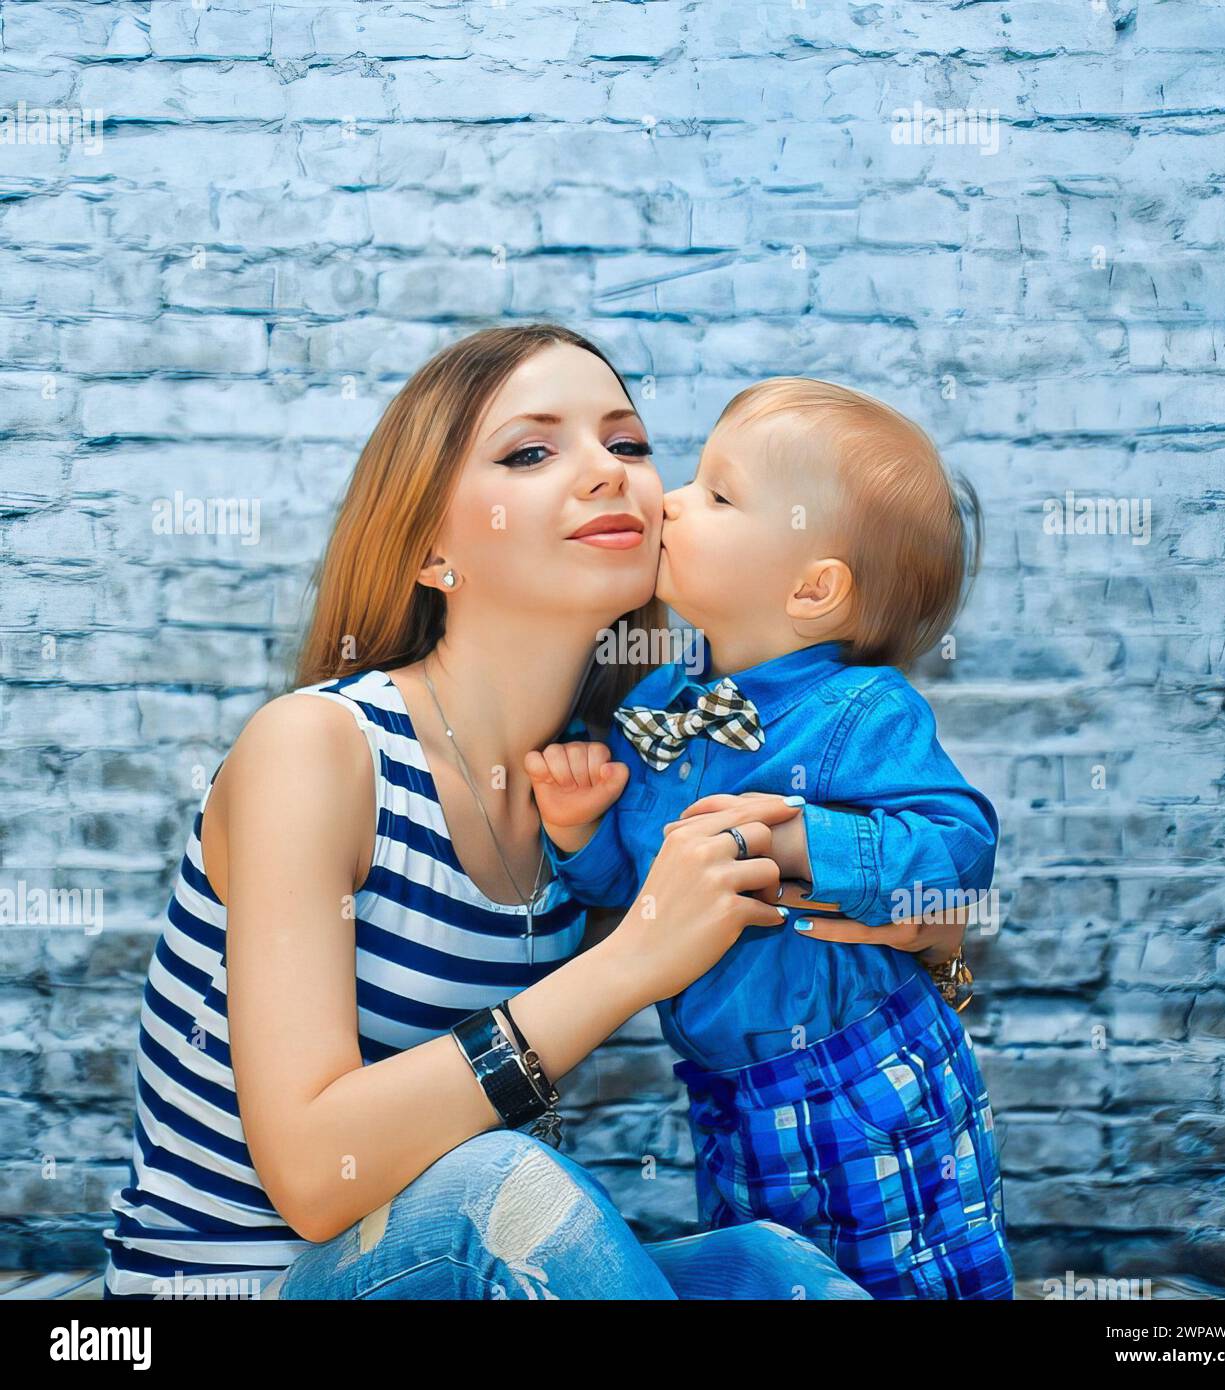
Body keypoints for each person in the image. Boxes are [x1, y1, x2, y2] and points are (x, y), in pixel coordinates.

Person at [100, 323, 874, 1300]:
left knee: (760, 1268)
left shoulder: (600, 797)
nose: (608, 474)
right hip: (237, 1289)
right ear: (430, 549)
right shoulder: (319, 751)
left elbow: (793, 928)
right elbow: (309, 1172)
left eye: (627, 444)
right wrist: (632, 955)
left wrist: (899, 907)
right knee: (496, 1186)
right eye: (532, 451)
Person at [528, 377, 1015, 1298]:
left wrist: (807, 841)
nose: (670, 501)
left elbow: (958, 851)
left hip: (866, 1078)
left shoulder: (858, 710)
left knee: (914, 1278)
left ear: (814, 588)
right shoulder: (658, 707)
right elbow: (632, 896)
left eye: (717, 495)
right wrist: (580, 833)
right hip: (725, 1095)